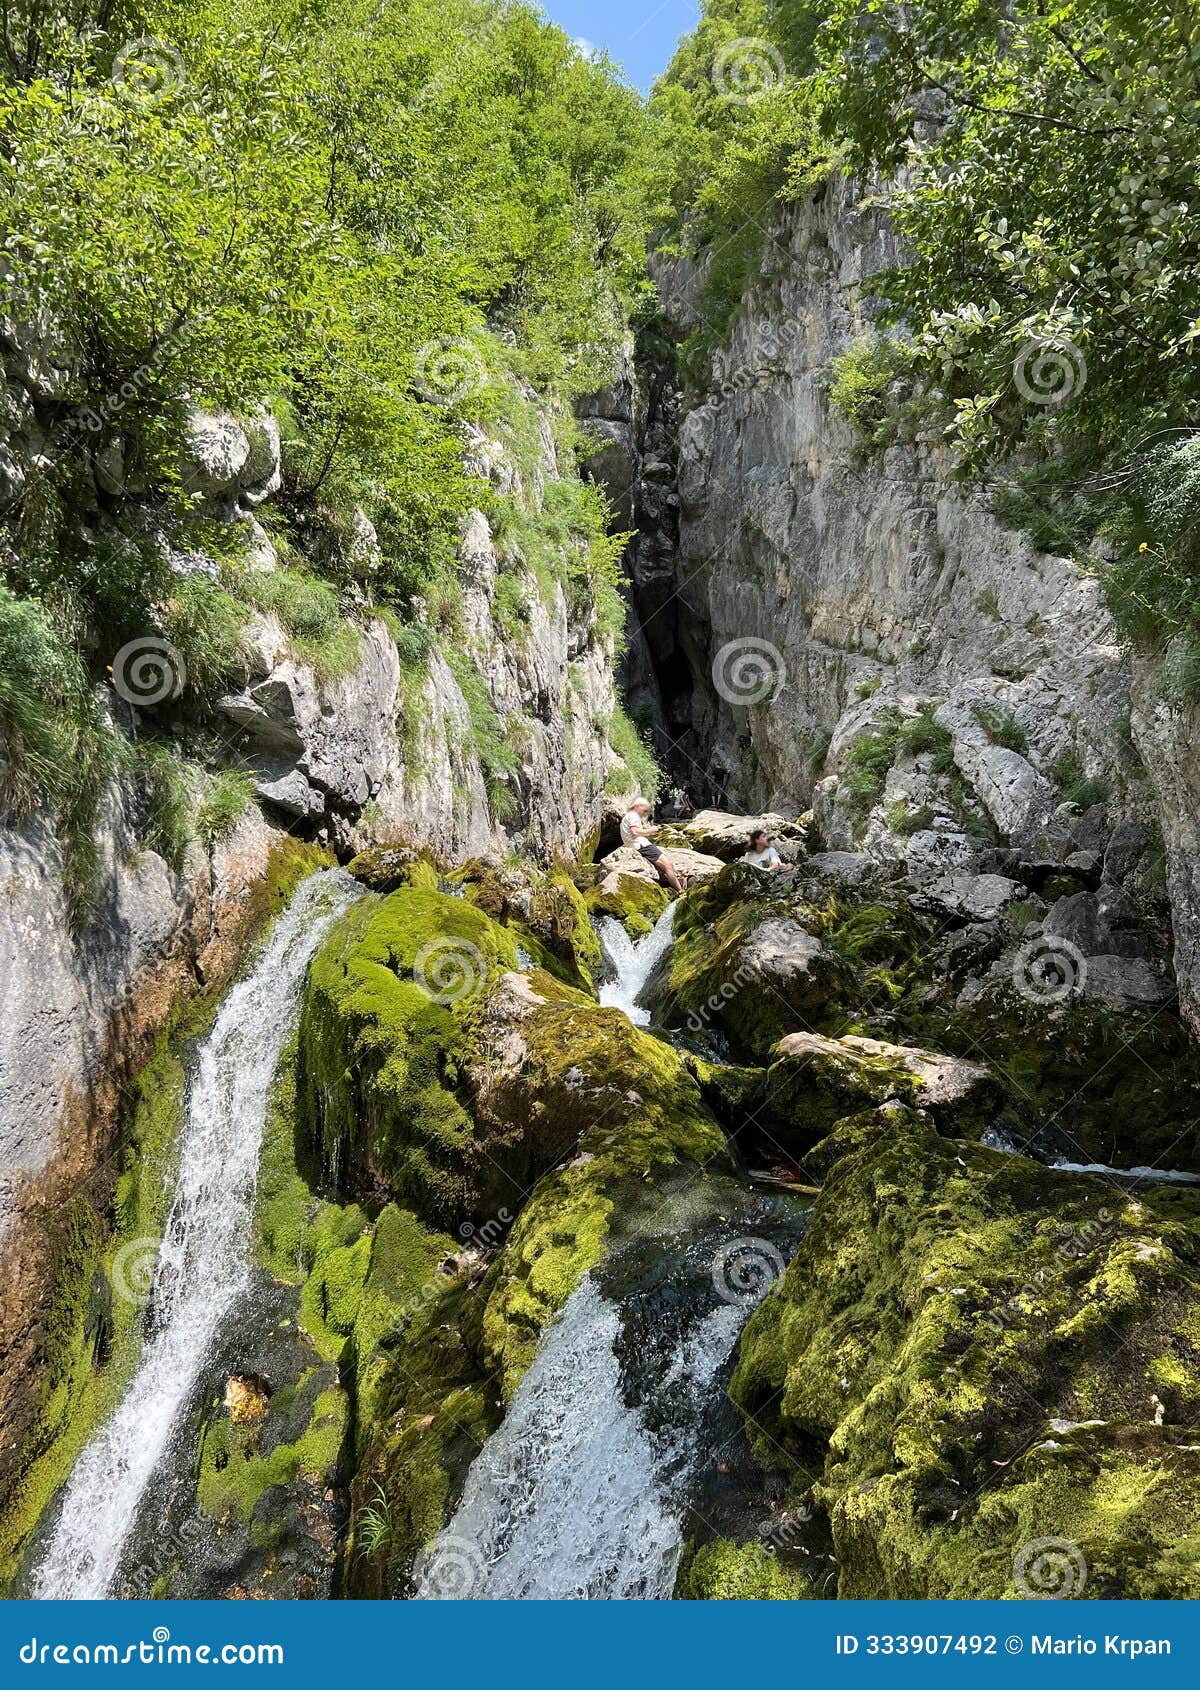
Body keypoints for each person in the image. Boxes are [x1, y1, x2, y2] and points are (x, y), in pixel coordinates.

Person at [620, 797, 683, 891]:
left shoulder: (628, 816)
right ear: (637, 806)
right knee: (668, 866)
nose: (645, 814)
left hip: (636, 846)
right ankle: (680, 891)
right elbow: (635, 832)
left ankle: (677, 886)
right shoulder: (633, 816)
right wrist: (651, 830)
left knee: (665, 868)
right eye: (644, 810)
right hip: (642, 846)